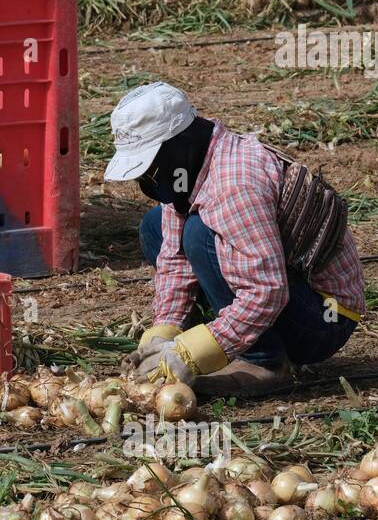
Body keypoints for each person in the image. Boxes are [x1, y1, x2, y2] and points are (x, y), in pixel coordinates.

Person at [105, 82, 364, 396]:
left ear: (181, 142)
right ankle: (216, 341)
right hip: (286, 295)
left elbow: (267, 292)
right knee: (155, 225)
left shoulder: (235, 185)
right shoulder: (189, 167)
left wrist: (190, 352)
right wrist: (164, 332)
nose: (148, 179)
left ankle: (263, 360)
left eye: (151, 165)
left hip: (323, 317)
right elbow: (175, 260)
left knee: (200, 235)